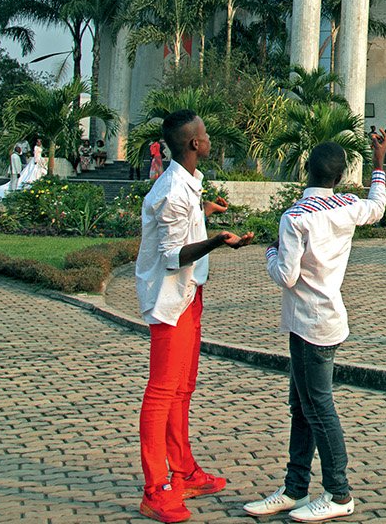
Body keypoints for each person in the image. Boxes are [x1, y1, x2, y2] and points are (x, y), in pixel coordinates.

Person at [243, 129, 386, 521]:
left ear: (306, 169)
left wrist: (271, 251)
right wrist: (379, 162)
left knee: (318, 407)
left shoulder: (294, 219)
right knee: (302, 405)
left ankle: (339, 494)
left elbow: (285, 276)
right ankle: (294, 488)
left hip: (310, 324)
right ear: (340, 177)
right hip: (320, 320)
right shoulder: (346, 206)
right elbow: (377, 206)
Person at [135, 110, 255, 522]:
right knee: (162, 392)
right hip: (169, 300)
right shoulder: (171, 190)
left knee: (183, 389)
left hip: (189, 295)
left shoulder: (187, 183)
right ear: (193, 145)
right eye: (204, 135)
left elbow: (186, 213)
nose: (208, 138)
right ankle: (156, 488)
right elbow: (172, 256)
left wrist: (207, 213)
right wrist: (216, 241)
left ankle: (183, 470)